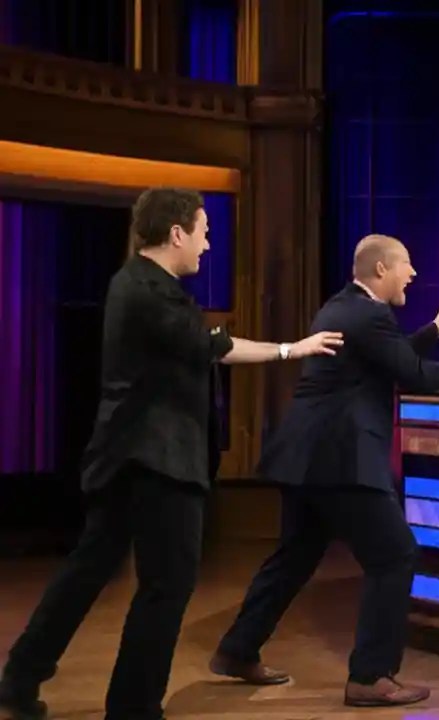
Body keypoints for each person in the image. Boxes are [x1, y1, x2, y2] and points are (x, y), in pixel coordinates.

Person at [0, 188, 343, 720]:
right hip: (154, 462)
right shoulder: (147, 290)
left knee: (86, 573)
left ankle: (21, 676)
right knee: (166, 586)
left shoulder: (139, 284)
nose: (207, 245)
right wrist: (290, 349)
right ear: (177, 232)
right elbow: (215, 346)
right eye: (204, 232)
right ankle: (132, 707)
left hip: (128, 457)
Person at [207, 234, 439, 708]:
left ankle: (237, 649)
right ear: (380, 272)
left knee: (294, 558)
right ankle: (370, 676)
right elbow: (411, 373)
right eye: (405, 266)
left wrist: (436, 327)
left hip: (308, 456)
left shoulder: (347, 307)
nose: (412, 274)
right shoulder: (369, 313)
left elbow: (388, 360)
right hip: (340, 458)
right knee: (395, 556)